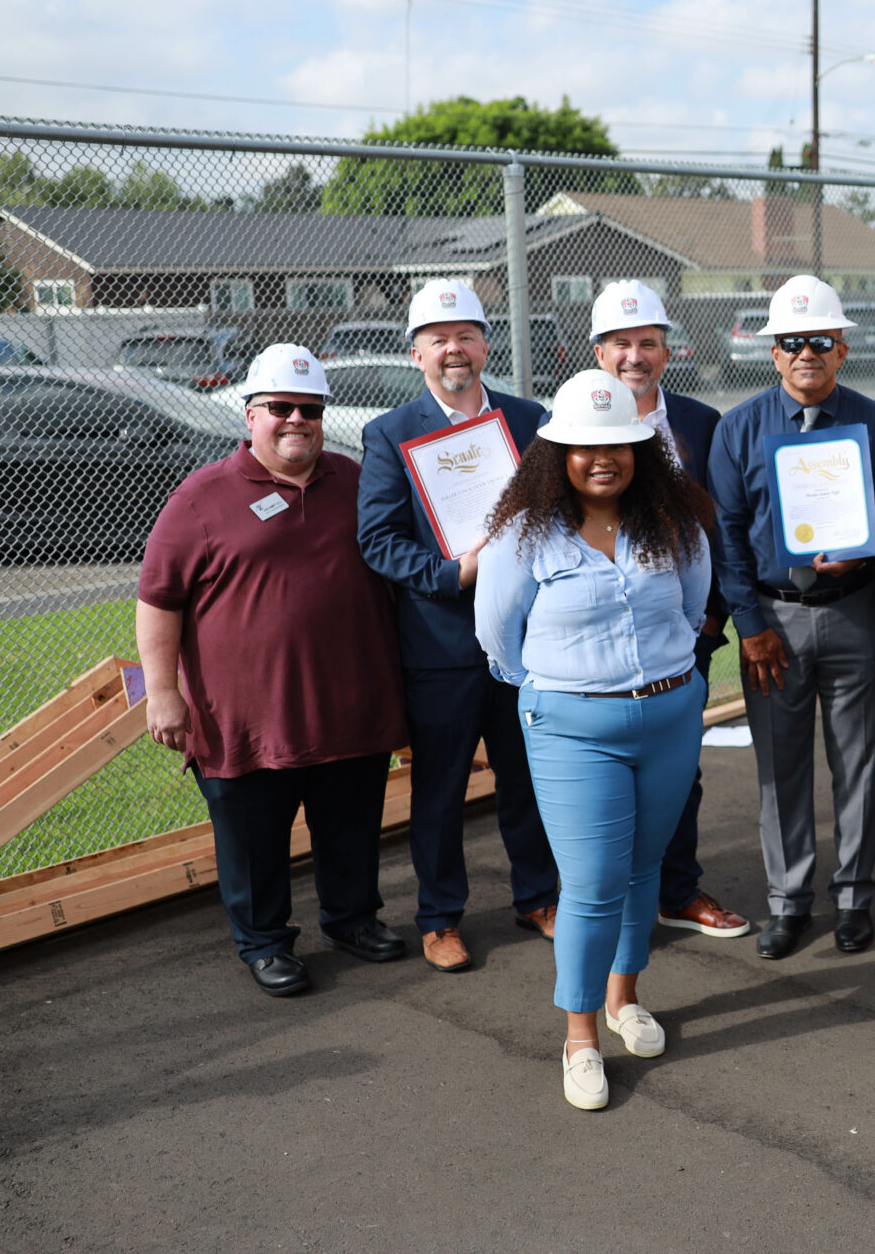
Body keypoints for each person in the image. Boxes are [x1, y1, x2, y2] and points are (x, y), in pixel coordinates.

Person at [136, 344, 409, 996]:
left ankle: (352, 919)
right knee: (254, 845)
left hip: (348, 706)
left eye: (310, 409)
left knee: (350, 828)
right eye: (280, 407)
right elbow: (157, 598)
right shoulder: (201, 498)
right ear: (251, 416)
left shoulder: (353, 481)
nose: (297, 420)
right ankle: (263, 942)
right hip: (245, 719)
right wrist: (163, 691)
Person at [474, 369, 711, 1110]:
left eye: (620, 443)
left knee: (643, 868)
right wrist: (561, 690)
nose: (602, 457)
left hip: (670, 712)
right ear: (557, 453)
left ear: (643, 448)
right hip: (575, 726)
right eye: (583, 446)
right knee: (594, 881)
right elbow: (497, 635)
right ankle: (580, 1036)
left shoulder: (675, 520)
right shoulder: (522, 534)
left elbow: (696, 604)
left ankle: (623, 997)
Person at [707, 274, 875, 960]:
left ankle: (854, 896)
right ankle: (788, 901)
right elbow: (729, 535)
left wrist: (863, 558)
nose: (806, 352)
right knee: (780, 766)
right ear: (773, 353)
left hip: (853, 615)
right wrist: (750, 625)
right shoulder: (738, 429)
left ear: (842, 347)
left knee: (857, 762)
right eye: (792, 342)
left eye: (820, 340)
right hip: (775, 621)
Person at [358, 278, 559, 973]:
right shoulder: (390, 434)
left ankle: (539, 896)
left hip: (527, 639)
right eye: (438, 339)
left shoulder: (530, 419)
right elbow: (378, 539)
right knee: (439, 790)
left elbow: (560, 512)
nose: (454, 349)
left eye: (466, 335)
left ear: (485, 343)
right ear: (415, 353)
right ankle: (440, 917)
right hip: (441, 645)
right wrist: (456, 574)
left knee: (527, 777)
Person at [589, 279, 748, 939]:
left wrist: (712, 617)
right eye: (621, 343)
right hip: (595, 638)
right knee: (600, 773)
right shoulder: (569, 422)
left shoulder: (702, 425)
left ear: (667, 350)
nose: (635, 355)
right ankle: (604, 902)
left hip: (684, 636)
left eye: (648, 343)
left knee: (679, 767)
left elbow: (722, 528)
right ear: (599, 352)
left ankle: (676, 889)